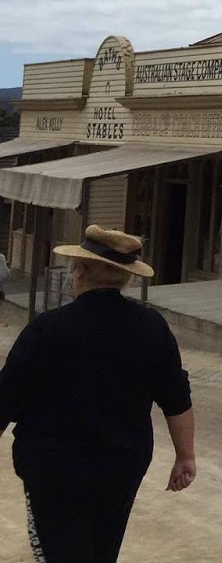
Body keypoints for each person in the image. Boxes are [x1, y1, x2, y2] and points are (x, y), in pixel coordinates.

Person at [0, 225, 196, 562]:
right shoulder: (152, 327)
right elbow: (176, 398)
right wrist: (185, 456)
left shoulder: (47, 328)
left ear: (79, 271)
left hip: (53, 469)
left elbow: (4, 399)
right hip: (121, 466)